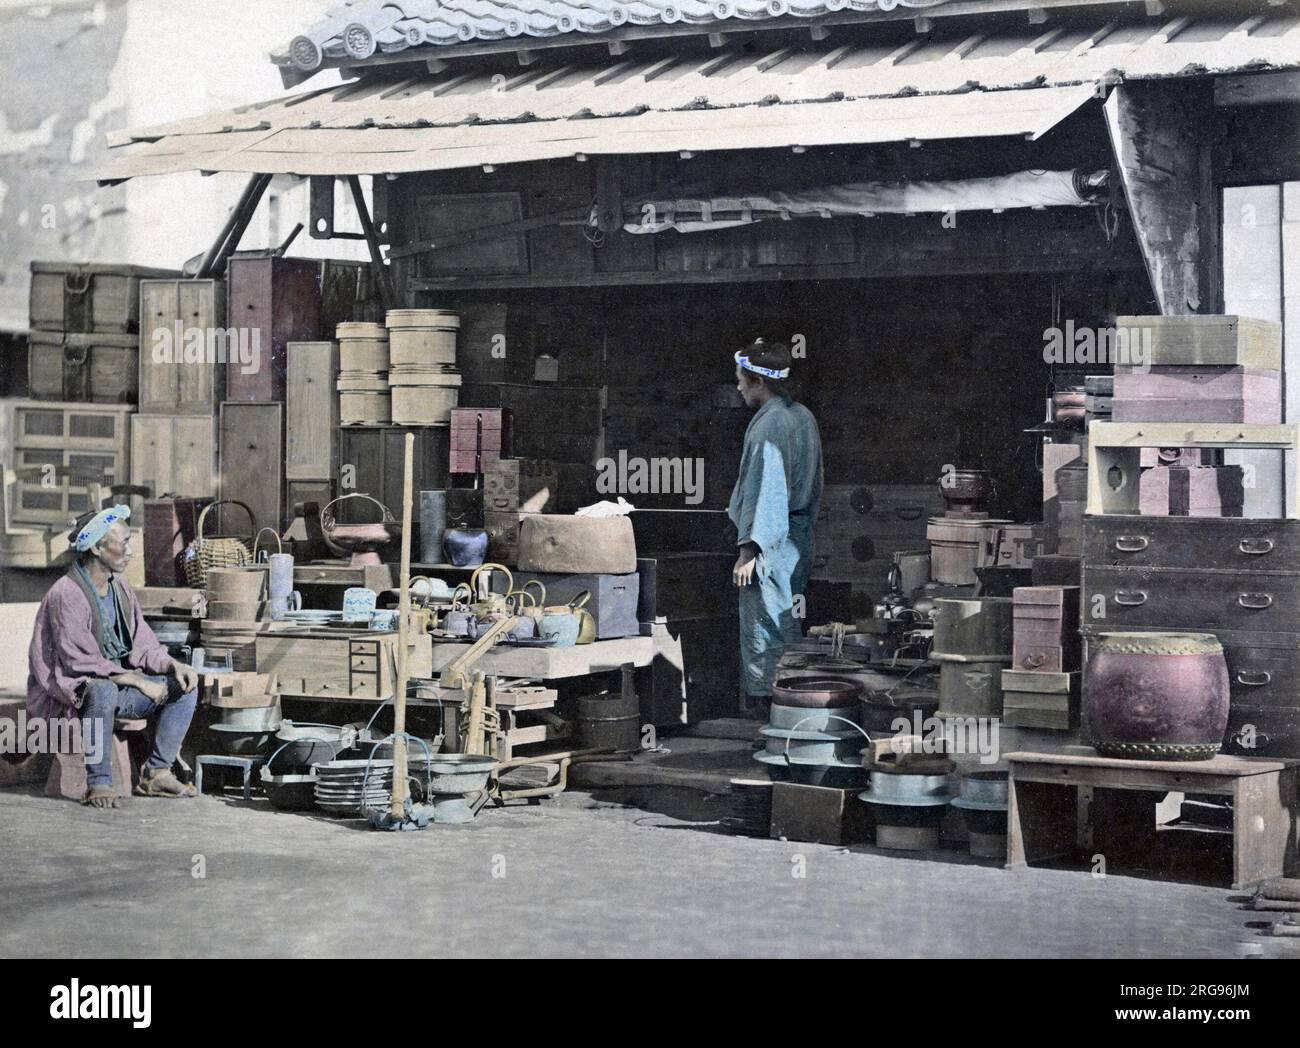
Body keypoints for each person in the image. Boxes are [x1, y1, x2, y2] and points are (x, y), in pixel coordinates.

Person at [27, 505, 200, 808]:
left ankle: (156, 772)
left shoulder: (119, 588)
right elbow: (81, 664)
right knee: (102, 689)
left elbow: (142, 643)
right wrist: (138, 681)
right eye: (124, 542)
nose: (131, 550)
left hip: (117, 687)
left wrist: (174, 665)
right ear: (96, 547)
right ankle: (99, 783)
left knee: (184, 687)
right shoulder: (66, 593)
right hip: (69, 694)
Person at [727, 339, 823, 716]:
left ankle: (775, 720)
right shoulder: (802, 416)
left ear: (757, 381)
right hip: (796, 542)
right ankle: (789, 717)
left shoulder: (769, 427)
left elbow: (765, 491)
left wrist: (749, 551)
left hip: (770, 546)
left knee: (766, 632)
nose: (737, 387)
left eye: (740, 380)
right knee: (787, 625)